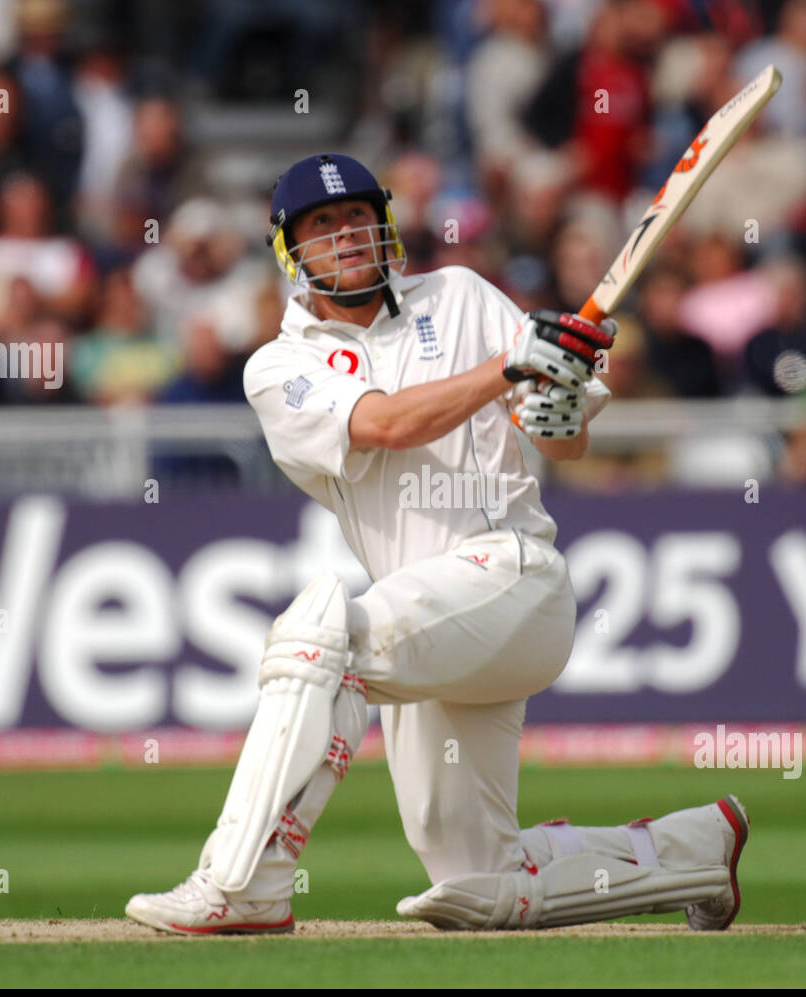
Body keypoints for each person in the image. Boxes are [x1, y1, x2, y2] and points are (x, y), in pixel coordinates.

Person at [124, 153, 749, 933]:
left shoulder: (458, 295)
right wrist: (507, 367)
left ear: (385, 224)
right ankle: (694, 848)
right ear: (291, 251)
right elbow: (383, 422)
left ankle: (242, 879)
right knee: (478, 877)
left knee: (319, 634)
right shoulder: (279, 365)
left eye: (358, 216)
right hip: (431, 623)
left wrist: (555, 403)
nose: (347, 234)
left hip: (515, 580)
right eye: (323, 225)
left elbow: (564, 443)